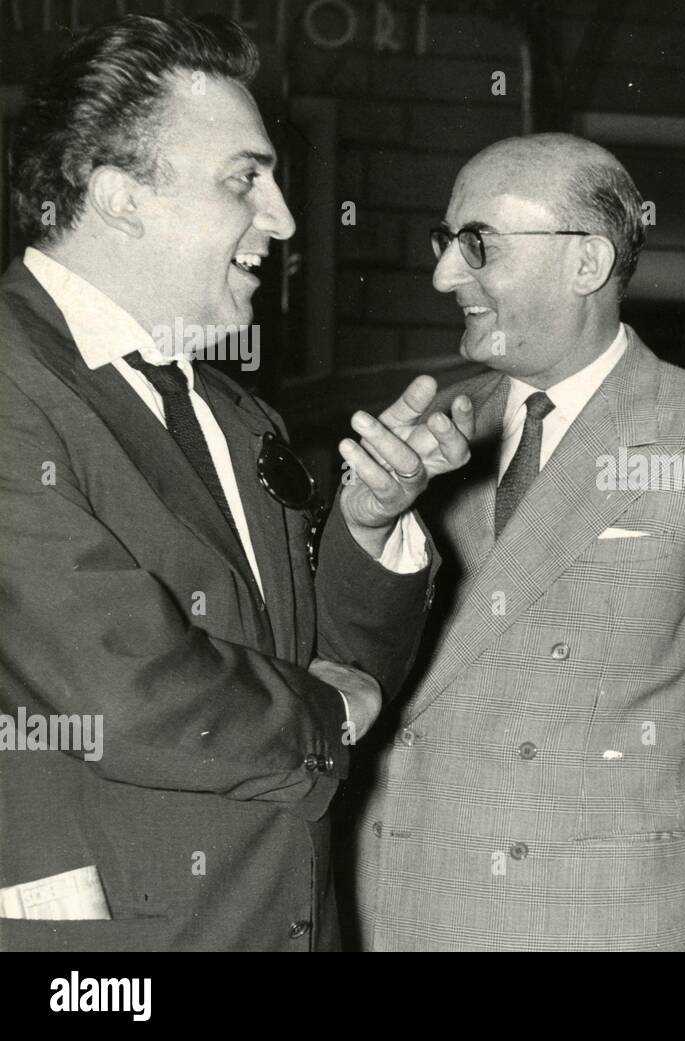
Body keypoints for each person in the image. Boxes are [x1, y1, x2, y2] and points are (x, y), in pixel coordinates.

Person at [0, 14, 473, 952]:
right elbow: (129, 689)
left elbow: (329, 662)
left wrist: (371, 526)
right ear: (118, 195)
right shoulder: (12, 382)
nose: (285, 219)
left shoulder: (232, 411)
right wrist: (330, 709)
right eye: (242, 180)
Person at [353, 133, 685, 951]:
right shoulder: (433, 429)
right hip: (406, 902)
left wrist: (645, 880)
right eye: (446, 240)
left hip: (590, 920)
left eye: (478, 245)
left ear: (586, 263)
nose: (444, 275)